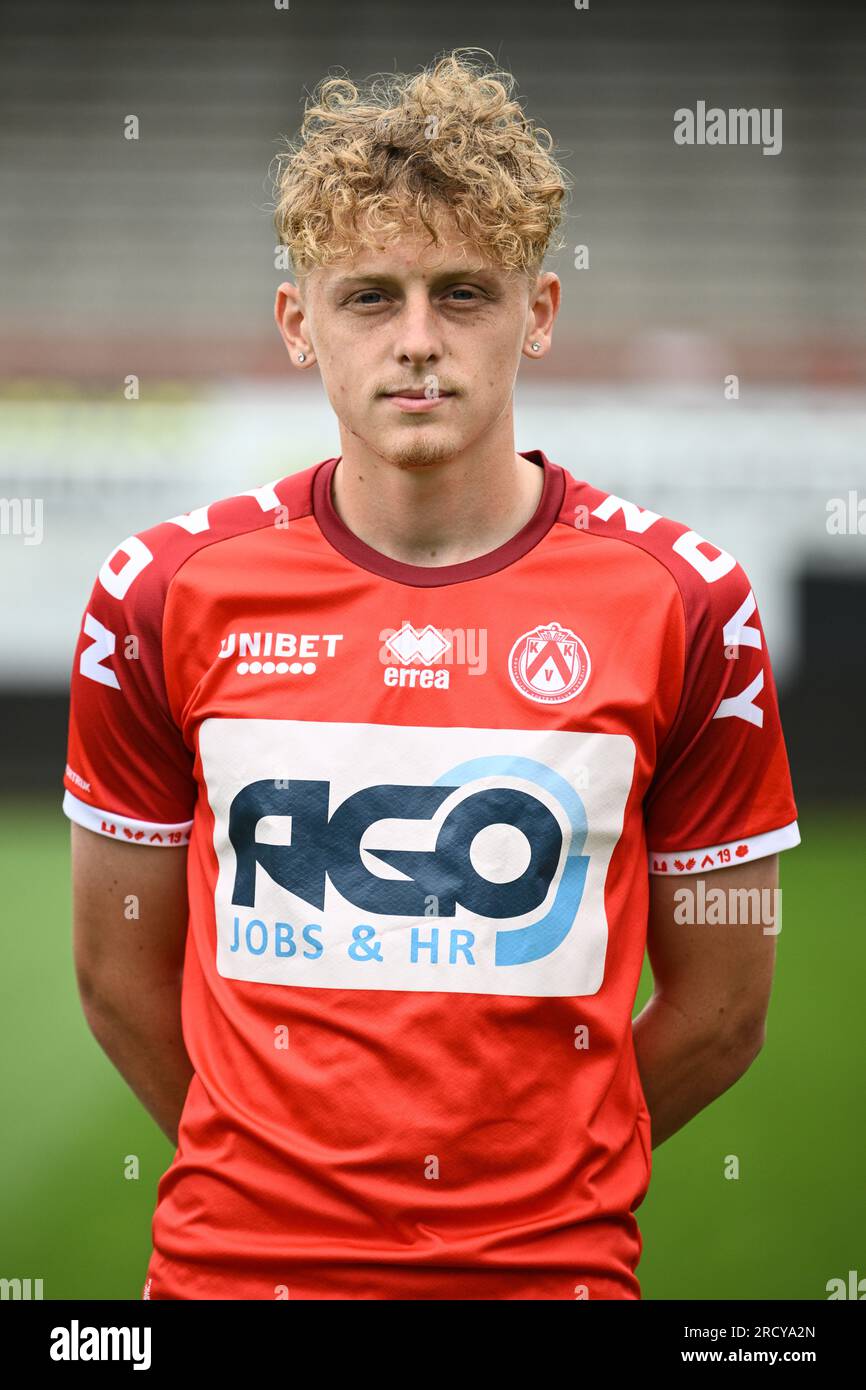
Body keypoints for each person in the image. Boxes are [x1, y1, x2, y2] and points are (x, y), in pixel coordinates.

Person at [63, 48, 800, 1301]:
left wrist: (541, 1188)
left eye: (463, 294)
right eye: (369, 298)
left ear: (540, 311)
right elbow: (115, 971)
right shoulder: (159, 593)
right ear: (299, 322)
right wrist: (281, 1186)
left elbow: (723, 1008)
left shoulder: (692, 603)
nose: (417, 343)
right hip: (230, 1279)